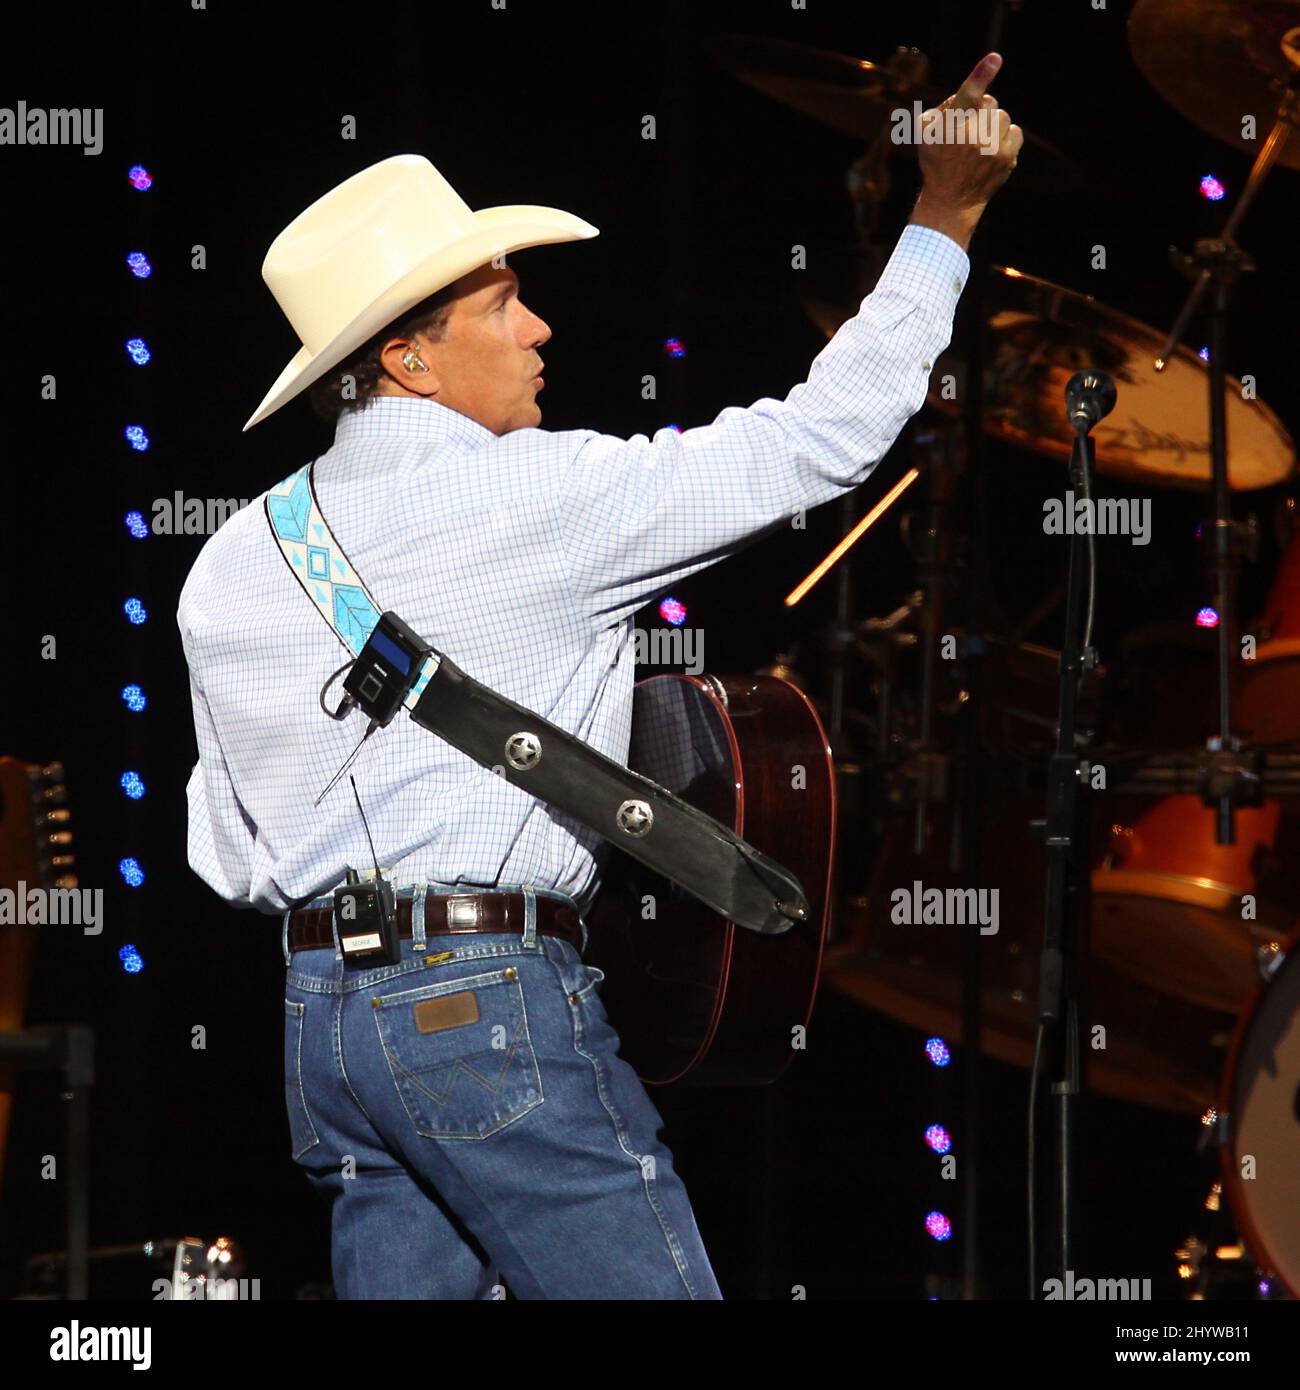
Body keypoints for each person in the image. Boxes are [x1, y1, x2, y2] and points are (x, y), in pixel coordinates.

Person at [178, 53, 1020, 1299]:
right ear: (409, 358)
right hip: (486, 1014)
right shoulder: (542, 498)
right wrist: (943, 215)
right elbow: (821, 438)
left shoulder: (230, 558)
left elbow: (224, 848)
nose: (541, 328)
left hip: (321, 1029)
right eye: (504, 302)